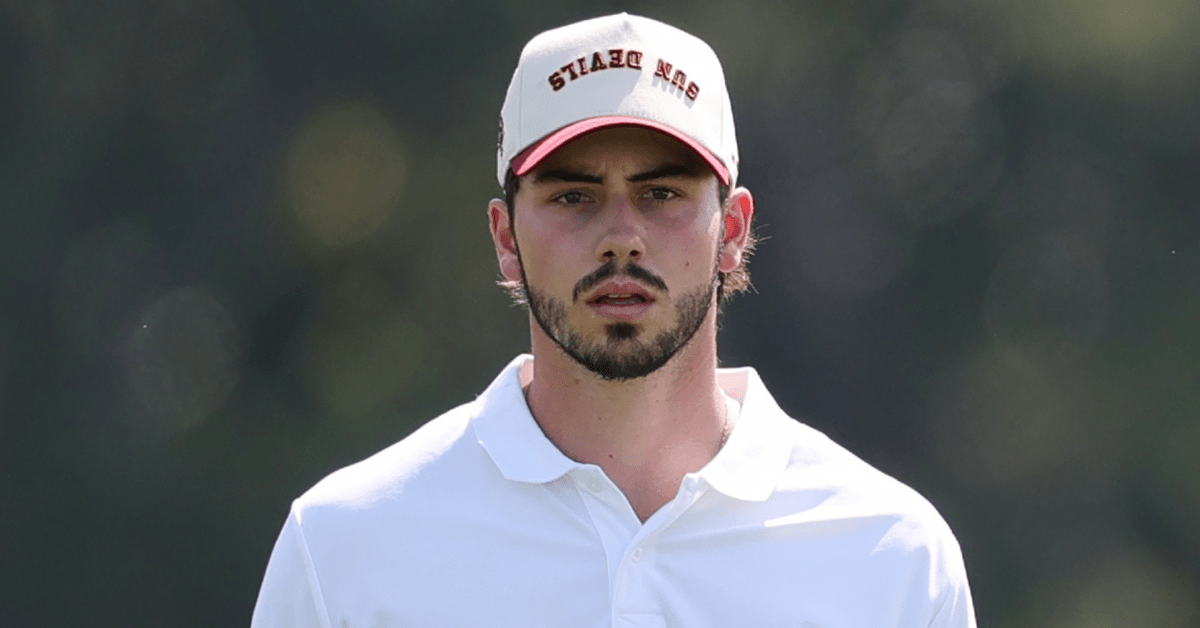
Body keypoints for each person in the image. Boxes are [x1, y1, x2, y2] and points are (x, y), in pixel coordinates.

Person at [251, 13, 976, 628]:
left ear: (730, 232)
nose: (621, 236)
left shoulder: (892, 556)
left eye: (661, 193)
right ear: (506, 238)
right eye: (574, 197)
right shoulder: (347, 547)